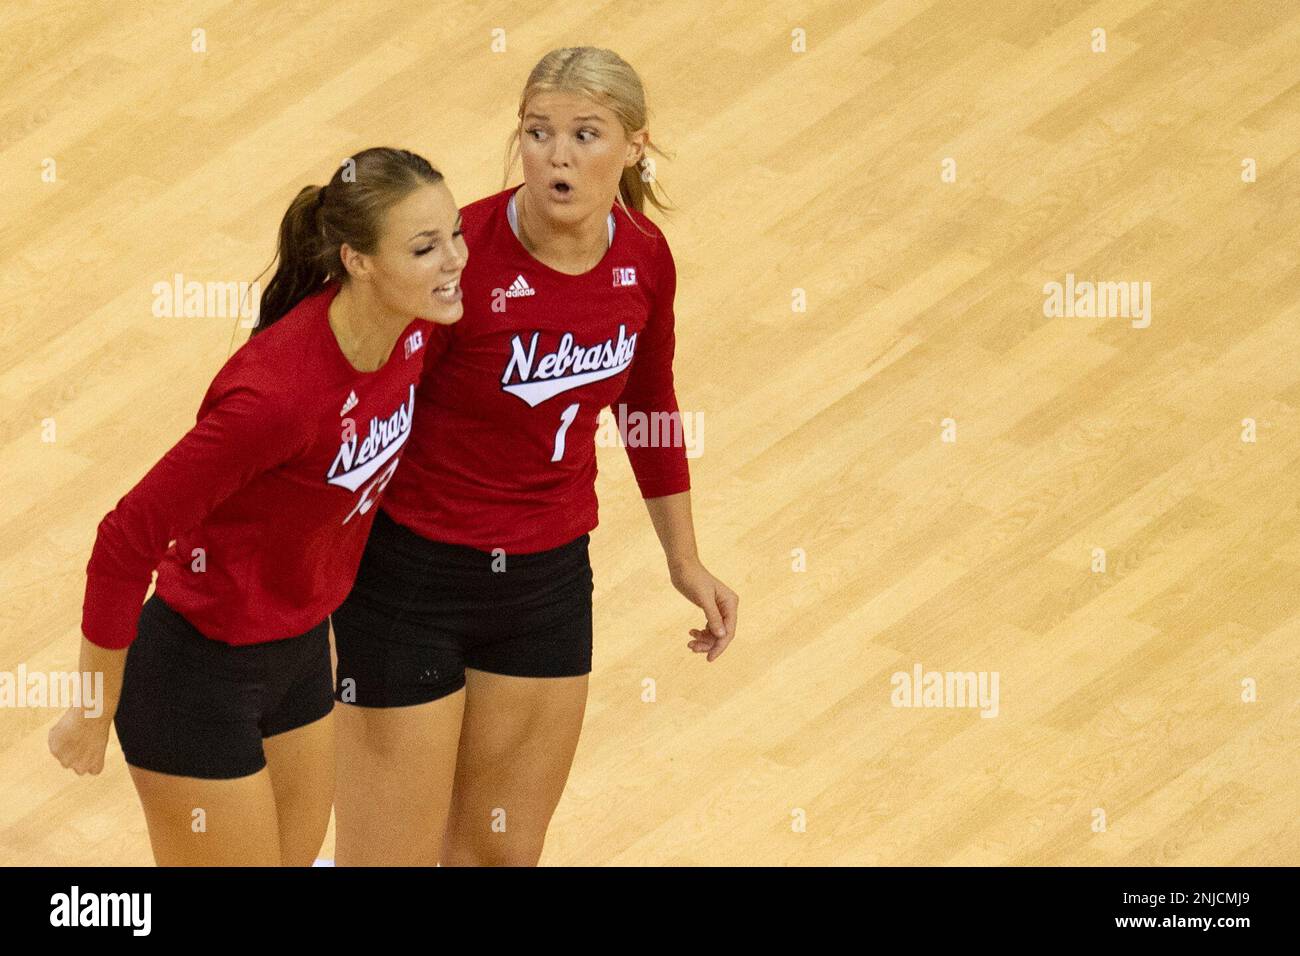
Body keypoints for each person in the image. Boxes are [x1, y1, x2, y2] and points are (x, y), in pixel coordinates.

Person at [331, 48, 739, 866]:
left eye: (586, 134)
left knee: (500, 854)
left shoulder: (645, 257)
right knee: (391, 858)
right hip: (412, 578)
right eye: (538, 131)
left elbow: (648, 400)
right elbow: (364, 411)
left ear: (633, 146)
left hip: (547, 583)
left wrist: (683, 557)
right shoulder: (459, 260)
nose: (558, 154)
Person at [48, 147, 467, 865]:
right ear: (358, 261)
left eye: (455, 234)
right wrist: (93, 706)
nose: (455, 258)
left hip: (299, 655)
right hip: (195, 675)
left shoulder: (411, 336)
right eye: (426, 247)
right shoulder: (276, 398)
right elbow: (126, 537)